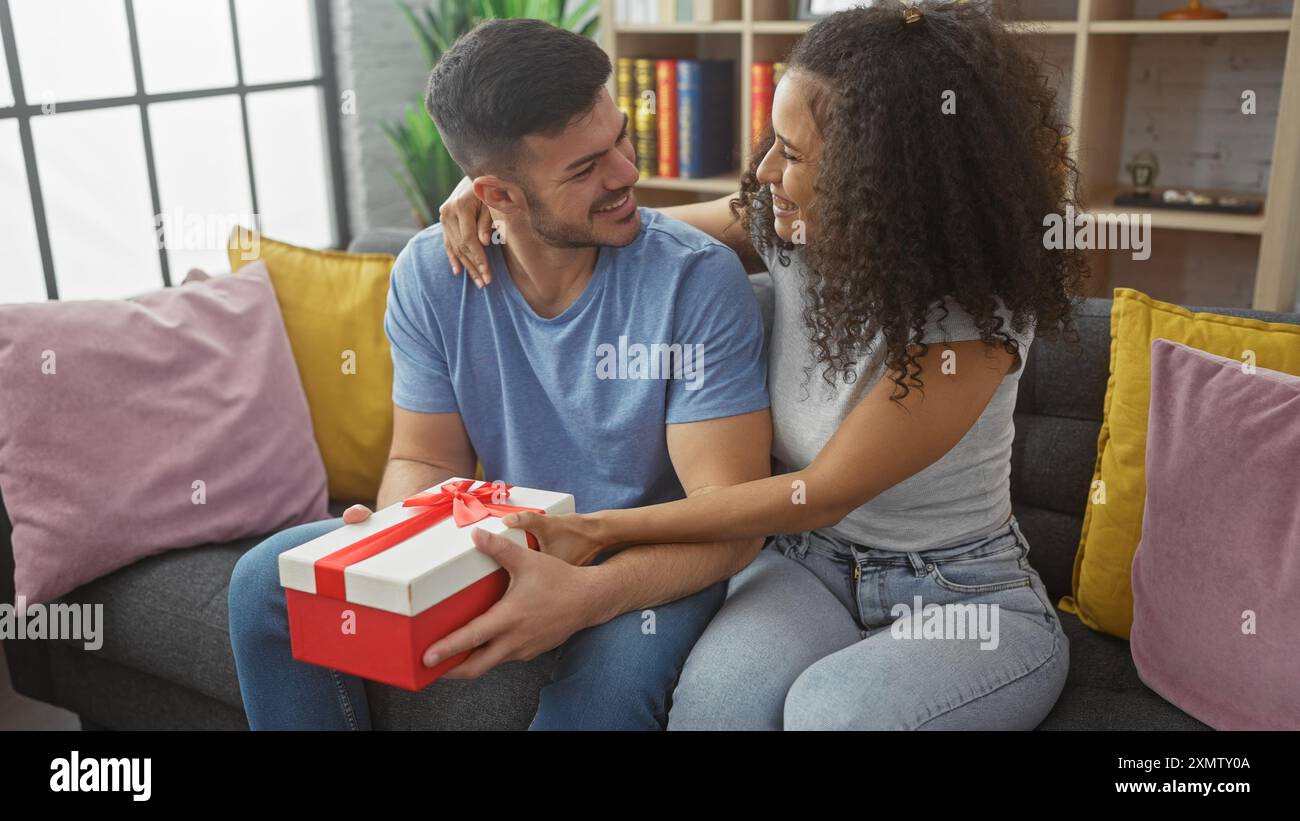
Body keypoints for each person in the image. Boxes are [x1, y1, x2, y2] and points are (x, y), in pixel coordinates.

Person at [436, 1, 1087, 729]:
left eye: (796, 155)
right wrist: (503, 200)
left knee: (830, 714)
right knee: (715, 711)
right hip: (806, 566)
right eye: (772, 143)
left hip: (962, 591)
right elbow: (633, 237)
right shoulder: (786, 224)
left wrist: (601, 530)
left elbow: (823, 489)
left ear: (880, 178)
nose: (767, 170)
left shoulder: (978, 316)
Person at [228, 17, 772, 731]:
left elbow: (732, 524)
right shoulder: (431, 272)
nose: (626, 173)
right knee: (264, 583)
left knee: (603, 699)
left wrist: (588, 594)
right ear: (497, 194)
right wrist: (392, 538)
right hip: (504, 538)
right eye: (585, 168)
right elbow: (424, 455)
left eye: (619, 138)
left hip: (646, 555)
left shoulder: (694, 283)